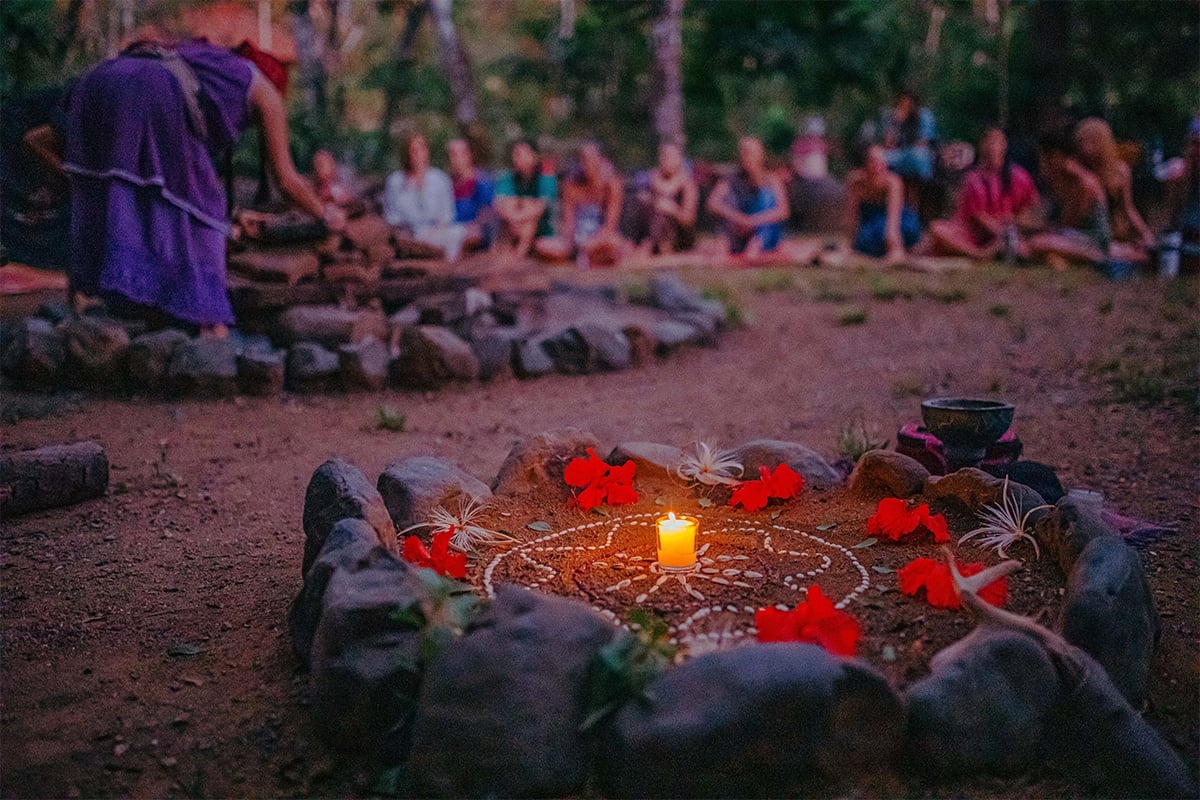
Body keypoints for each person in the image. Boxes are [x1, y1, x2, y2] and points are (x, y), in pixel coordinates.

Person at [63, 37, 342, 338]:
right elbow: (285, 180)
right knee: (205, 209)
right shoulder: (267, 93)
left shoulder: (209, 63)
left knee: (121, 192)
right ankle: (210, 327)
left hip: (98, 81)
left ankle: (97, 307)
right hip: (149, 91)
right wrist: (325, 216)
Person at [927, 127, 1039, 260]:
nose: (993, 147)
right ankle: (980, 254)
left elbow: (1031, 207)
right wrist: (1002, 233)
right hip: (976, 236)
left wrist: (1016, 227)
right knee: (937, 229)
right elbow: (978, 218)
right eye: (990, 141)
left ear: (1005, 144)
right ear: (982, 145)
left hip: (1011, 233)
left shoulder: (1019, 176)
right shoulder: (972, 178)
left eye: (998, 141)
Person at [1073, 117, 1155, 263]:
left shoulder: (1120, 171)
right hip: (1084, 230)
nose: (1085, 147)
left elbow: (1128, 208)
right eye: (1082, 141)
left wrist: (1146, 234)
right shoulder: (1078, 172)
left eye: (1091, 141)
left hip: (1113, 231)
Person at [1026, 128, 1111, 268]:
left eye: (1043, 158)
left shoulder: (1083, 183)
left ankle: (1094, 259)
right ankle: (1060, 258)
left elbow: (1071, 223)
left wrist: (1042, 230)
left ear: (1055, 156)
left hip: (1093, 241)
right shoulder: (1062, 180)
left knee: (1036, 243)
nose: (1041, 164)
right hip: (1073, 235)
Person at [383, 130, 465, 260]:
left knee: (457, 232)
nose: (418, 155)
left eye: (422, 149)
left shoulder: (440, 179)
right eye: (413, 150)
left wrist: (430, 236)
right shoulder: (395, 181)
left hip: (435, 233)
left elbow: (446, 216)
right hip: (408, 235)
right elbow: (392, 218)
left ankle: (446, 269)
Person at [706, 136, 790, 262]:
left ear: (761, 155)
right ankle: (725, 245)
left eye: (751, 152)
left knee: (767, 196)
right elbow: (713, 203)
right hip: (738, 229)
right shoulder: (731, 179)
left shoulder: (771, 180)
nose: (747, 157)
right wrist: (739, 218)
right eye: (744, 152)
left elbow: (783, 211)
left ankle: (755, 245)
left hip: (761, 229)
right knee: (728, 199)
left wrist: (752, 221)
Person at [844, 143, 920, 265]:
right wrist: (850, 244)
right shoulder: (856, 183)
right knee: (864, 240)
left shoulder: (892, 182)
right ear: (865, 164)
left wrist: (895, 248)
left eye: (883, 160)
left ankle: (902, 248)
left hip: (897, 222)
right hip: (871, 224)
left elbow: (893, 222)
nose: (881, 165)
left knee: (886, 232)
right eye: (875, 161)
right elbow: (852, 217)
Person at [555, 141, 627, 267]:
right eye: (583, 159)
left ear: (601, 160)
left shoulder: (613, 184)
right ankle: (590, 256)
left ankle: (590, 255)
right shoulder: (570, 185)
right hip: (577, 240)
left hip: (602, 239)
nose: (586, 163)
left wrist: (591, 244)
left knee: (613, 244)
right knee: (543, 245)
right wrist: (573, 241)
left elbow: (610, 226)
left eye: (591, 158)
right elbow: (569, 222)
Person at [492, 138, 563, 259]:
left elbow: (539, 208)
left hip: (541, 230)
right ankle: (509, 253)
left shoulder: (546, 177)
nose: (515, 158)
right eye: (514, 154)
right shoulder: (507, 177)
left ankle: (517, 255)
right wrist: (514, 217)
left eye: (519, 154)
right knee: (511, 203)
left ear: (533, 156)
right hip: (513, 225)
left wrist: (517, 217)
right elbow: (498, 205)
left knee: (529, 208)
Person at [635, 141, 698, 256]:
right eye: (664, 156)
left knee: (664, 213)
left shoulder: (687, 184)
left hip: (679, 236)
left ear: (679, 159)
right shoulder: (648, 179)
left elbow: (689, 218)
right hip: (651, 231)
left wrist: (673, 210)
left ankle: (662, 247)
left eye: (671, 156)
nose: (667, 160)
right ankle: (651, 245)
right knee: (657, 212)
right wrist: (653, 202)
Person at [447, 138, 496, 252]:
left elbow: (488, 215)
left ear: (469, 155)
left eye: (460, 154)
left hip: (474, 234)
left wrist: (468, 228)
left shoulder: (482, 181)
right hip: (450, 231)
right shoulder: (446, 183)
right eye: (452, 154)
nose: (456, 159)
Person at [880, 90, 937, 183]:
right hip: (901, 153)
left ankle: (924, 187)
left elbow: (923, 143)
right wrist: (896, 123)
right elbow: (888, 145)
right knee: (881, 158)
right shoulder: (893, 116)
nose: (905, 105)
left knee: (918, 156)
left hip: (920, 152)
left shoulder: (924, 115)